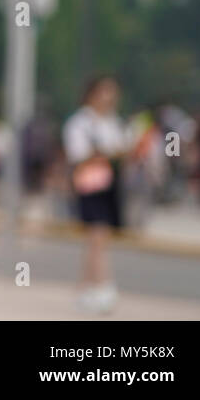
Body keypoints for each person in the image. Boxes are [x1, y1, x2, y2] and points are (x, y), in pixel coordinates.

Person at [62, 72, 130, 314]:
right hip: (91, 185)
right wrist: (102, 153)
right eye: (105, 91)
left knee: (96, 239)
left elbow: (122, 149)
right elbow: (77, 155)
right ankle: (103, 286)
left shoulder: (113, 121)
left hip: (110, 185)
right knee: (97, 235)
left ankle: (86, 288)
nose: (110, 97)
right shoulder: (81, 122)